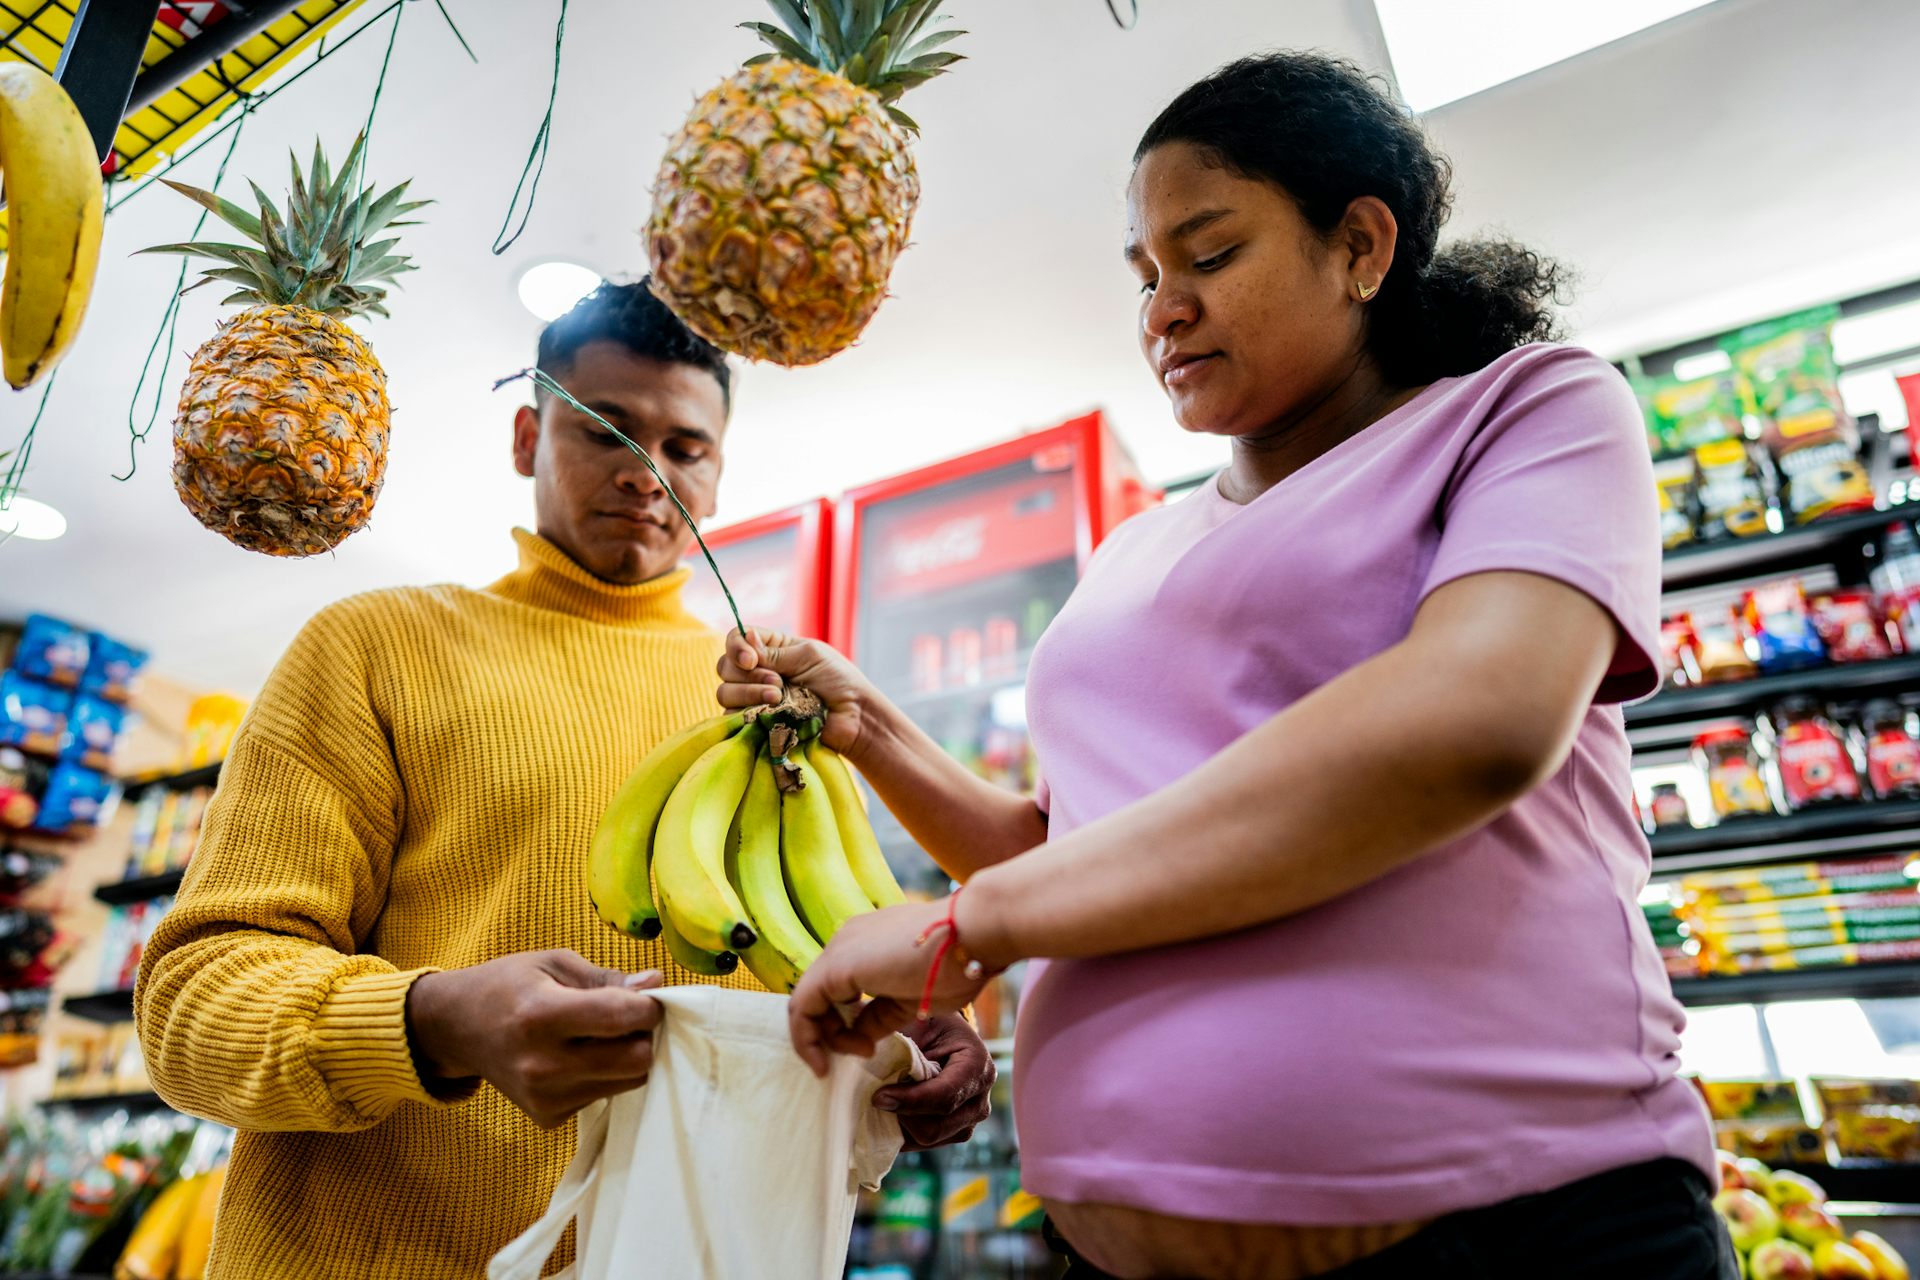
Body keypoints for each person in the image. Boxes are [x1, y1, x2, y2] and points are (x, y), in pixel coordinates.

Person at [718, 53, 1734, 1280]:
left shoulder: (1528, 410)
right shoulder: (1137, 546)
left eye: (1208, 256)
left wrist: (966, 925)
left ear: (1361, 244)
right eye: (1145, 275)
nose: (1161, 308)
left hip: (1521, 1230)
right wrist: (870, 726)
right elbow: (1084, 856)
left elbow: (1475, 719)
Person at [133, 282, 994, 1280]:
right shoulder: (371, 646)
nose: (647, 473)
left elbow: (808, 952)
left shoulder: (769, 704)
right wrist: (431, 1023)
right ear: (524, 434)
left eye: (685, 447)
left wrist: (929, 1018)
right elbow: (189, 1003)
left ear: (716, 477)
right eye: (607, 430)